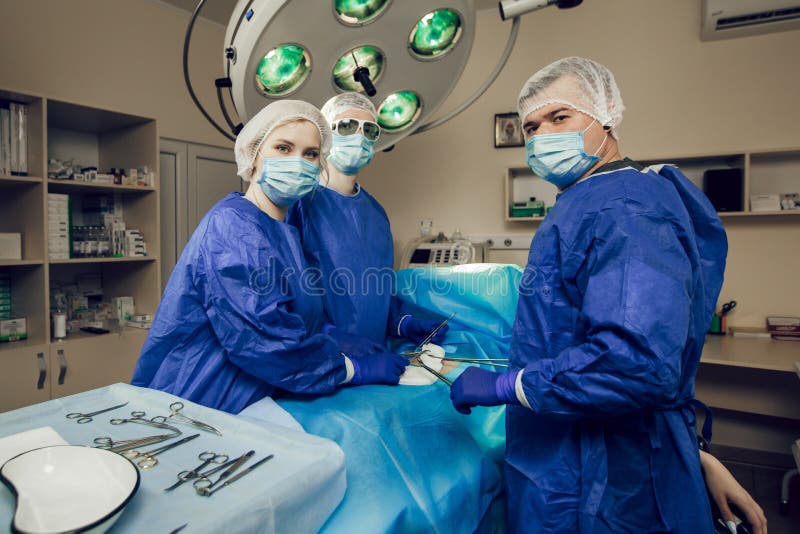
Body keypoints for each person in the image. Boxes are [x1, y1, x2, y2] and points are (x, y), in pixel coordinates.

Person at [449, 57, 731, 532]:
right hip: (586, 452)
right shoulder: (587, 203)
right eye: (531, 127)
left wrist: (509, 385)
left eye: (559, 118)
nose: (542, 137)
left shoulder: (625, 208)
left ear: (607, 115)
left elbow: (635, 361)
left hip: (604, 477)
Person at [131, 100, 407, 413]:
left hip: (251, 400)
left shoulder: (282, 235)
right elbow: (266, 346)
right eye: (283, 148)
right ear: (253, 153)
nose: (298, 162)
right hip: (196, 403)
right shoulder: (233, 229)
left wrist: (331, 338)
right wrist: (353, 370)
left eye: (310, 154)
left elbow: (290, 319)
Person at [287, 92, 447, 352]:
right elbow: (286, 296)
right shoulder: (300, 205)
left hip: (376, 356)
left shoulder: (376, 214)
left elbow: (375, 292)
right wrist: (332, 338)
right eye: (347, 126)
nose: (359, 137)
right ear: (325, 134)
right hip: (323, 357)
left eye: (369, 130)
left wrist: (403, 322)